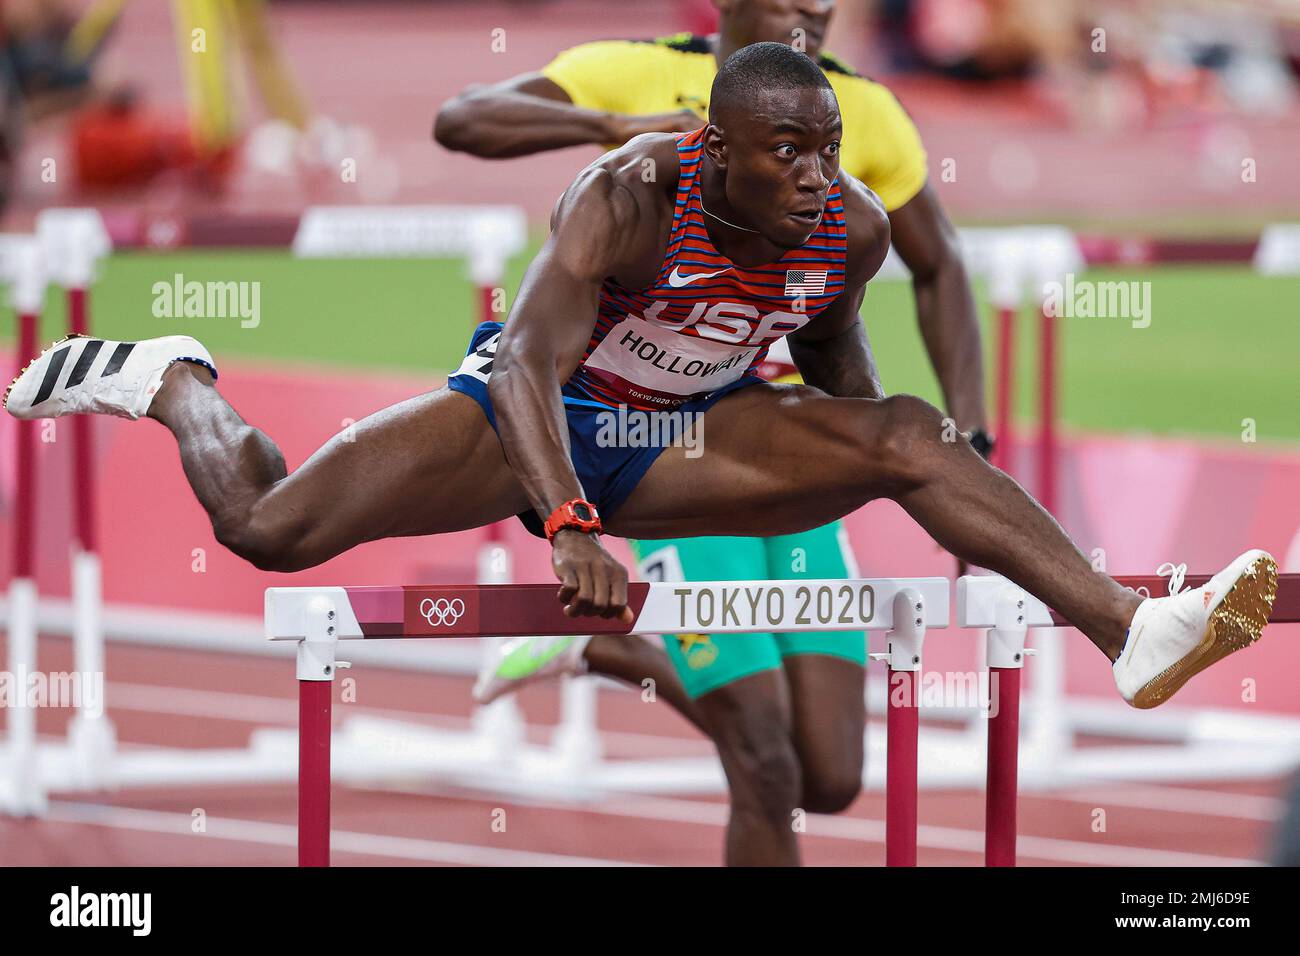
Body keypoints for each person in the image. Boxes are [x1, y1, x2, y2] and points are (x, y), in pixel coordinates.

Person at [7, 42, 1276, 866]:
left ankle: (1128, 627)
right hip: (542, 420)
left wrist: (918, 474)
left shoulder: (852, 230)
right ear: (714, 150)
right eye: (789, 152)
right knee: (267, 526)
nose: (818, 176)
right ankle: (175, 378)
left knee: (900, 435)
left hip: (689, 438)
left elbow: (845, 378)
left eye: (829, 148)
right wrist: (565, 524)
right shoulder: (627, 195)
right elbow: (520, 365)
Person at [436, 2, 988, 822]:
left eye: (827, 0)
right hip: (672, 442)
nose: (815, 10)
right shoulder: (648, 69)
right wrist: (614, 122)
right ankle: (631, 651)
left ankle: (608, 646)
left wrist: (966, 441)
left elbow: (938, 265)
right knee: (762, 757)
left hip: (790, 441)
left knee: (828, 779)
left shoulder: (862, 108)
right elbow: (464, 119)